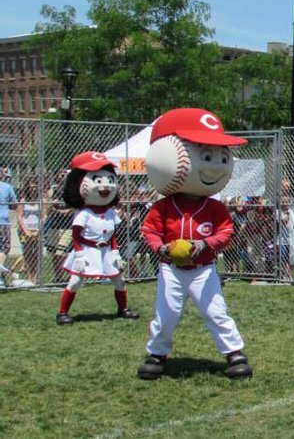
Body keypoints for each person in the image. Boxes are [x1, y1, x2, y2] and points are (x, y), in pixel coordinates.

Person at [137, 108, 252, 380]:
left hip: (203, 268)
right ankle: (157, 353)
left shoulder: (214, 207)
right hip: (171, 268)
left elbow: (226, 231)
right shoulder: (164, 206)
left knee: (216, 311)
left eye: (220, 157)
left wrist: (205, 244)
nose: (215, 166)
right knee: (166, 314)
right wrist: (161, 248)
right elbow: (149, 231)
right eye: (206, 156)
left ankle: (234, 353)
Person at [55, 152, 140, 325]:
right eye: (98, 180)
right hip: (87, 250)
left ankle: (123, 309)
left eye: (109, 179)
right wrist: (79, 255)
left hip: (106, 251)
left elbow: (113, 234)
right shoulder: (84, 213)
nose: (105, 185)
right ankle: (62, 313)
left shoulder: (110, 212)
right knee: (75, 281)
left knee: (119, 280)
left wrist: (115, 252)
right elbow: (76, 235)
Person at [0, 167, 25, 287]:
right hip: (3, 221)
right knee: (3, 248)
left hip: (3, 221)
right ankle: (0, 277)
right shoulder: (7, 187)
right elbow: (14, 204)